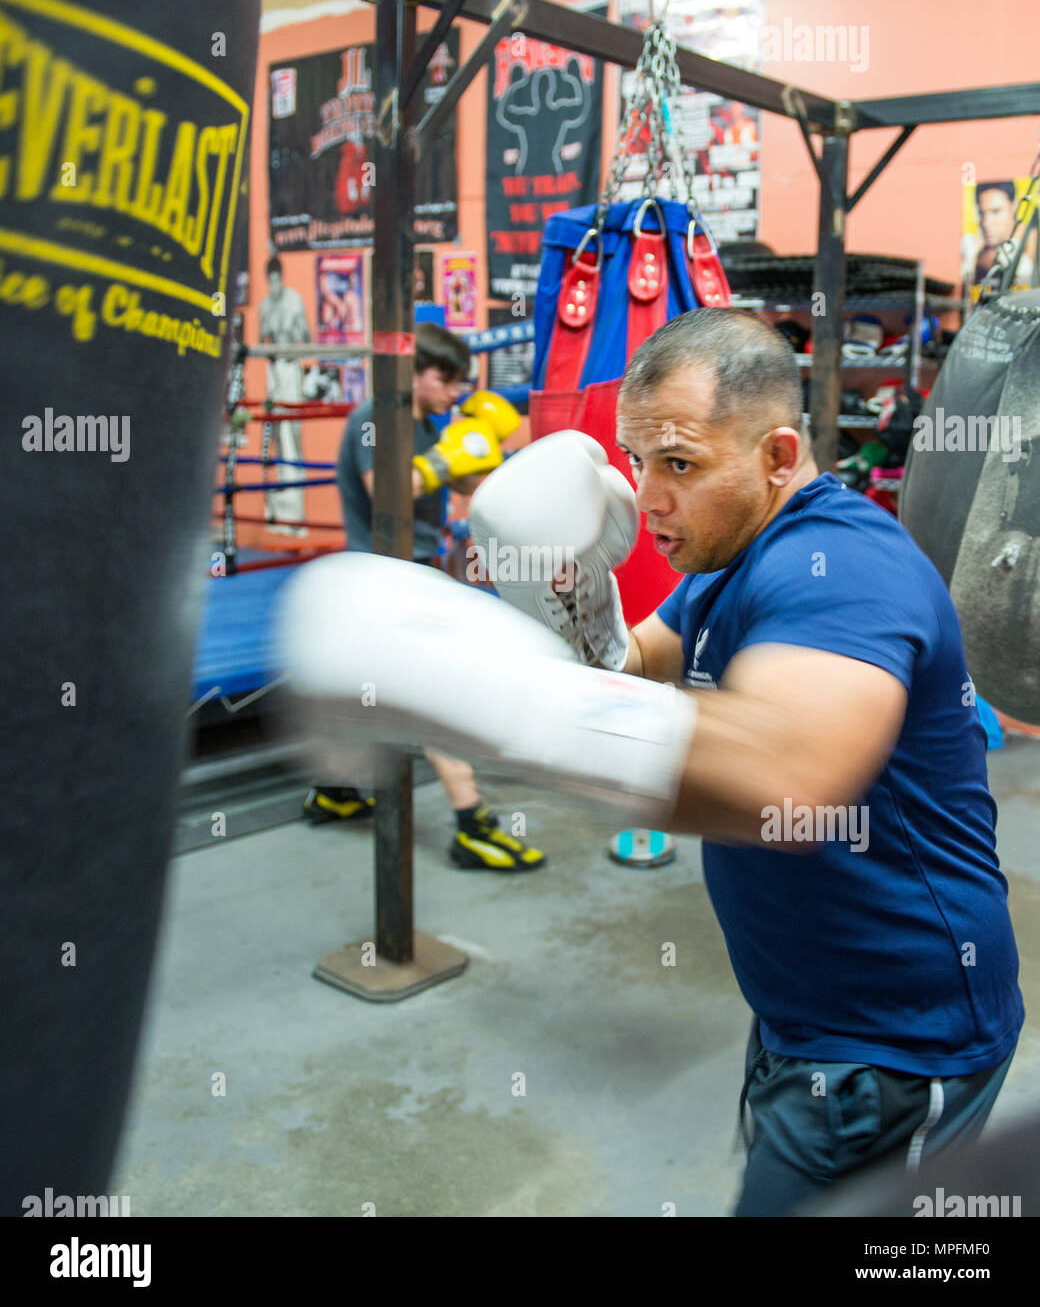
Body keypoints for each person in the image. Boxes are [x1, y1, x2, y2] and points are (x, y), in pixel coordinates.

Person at [281, 307, 1023, 1214]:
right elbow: (630, 665)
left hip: (896, 1038)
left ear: (778, 456)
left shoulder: (842, 567)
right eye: (636, 461)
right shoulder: (725, 557)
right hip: (809, 1010)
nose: (650, 497)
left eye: (679, 463)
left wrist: (497, 698)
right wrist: (569, 595)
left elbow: (790, 773)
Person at [305, 322, 547, 873]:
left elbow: (466, 486)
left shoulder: (430, 424)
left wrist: (486, 446)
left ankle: (334, 789)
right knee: (435, 695)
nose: (457, 390)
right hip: (383, 574)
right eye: (448, 379)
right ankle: (472, 825)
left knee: (374, 693)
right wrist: (448, 457)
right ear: (415, 374)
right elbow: (387, 490)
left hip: (413, 568)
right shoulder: (375, 419)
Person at [258, 255, 310, 533]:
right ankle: (276, 516)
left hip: (291, 369)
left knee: (293, 437)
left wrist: (293, 331)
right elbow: (259, 341)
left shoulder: (294, 300)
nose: (274, 286)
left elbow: (307, 337)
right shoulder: (265, 304)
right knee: (274, 437)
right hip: (273, 369)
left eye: (277, 280)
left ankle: (297, 518)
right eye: (271, 281)